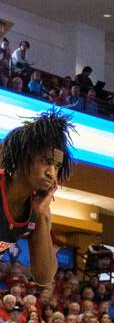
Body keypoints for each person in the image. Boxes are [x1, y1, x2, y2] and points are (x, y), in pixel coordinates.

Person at [0, 109, 73, 288]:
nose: (51, 173)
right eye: (46, 161)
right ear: (24, 157)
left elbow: (44, 276)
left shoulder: (35, 210)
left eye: (56, 166)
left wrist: (42, 215)